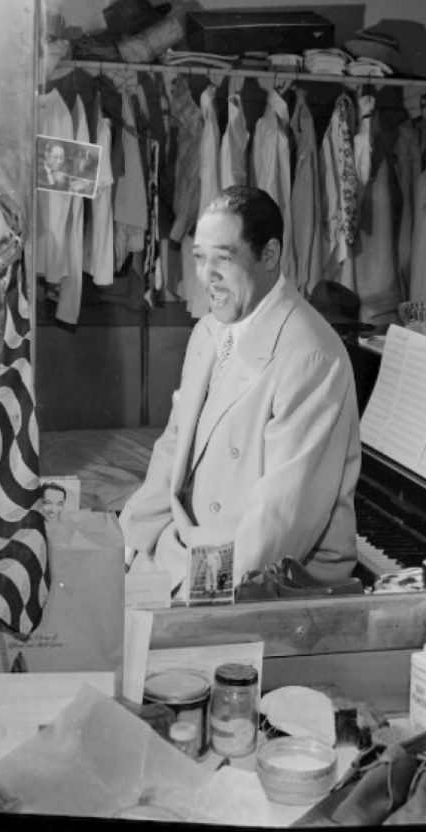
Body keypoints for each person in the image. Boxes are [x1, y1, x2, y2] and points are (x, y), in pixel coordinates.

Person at [119, 185, 361, 598]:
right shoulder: (209, 330)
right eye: (199, 257)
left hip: (261, 576)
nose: (206, 276)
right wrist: (128, 544)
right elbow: (175, 447)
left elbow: (278, 524)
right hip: (190, 544)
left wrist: (186, 598)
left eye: (223, 259)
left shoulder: (311, 357)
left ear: (269, 255)